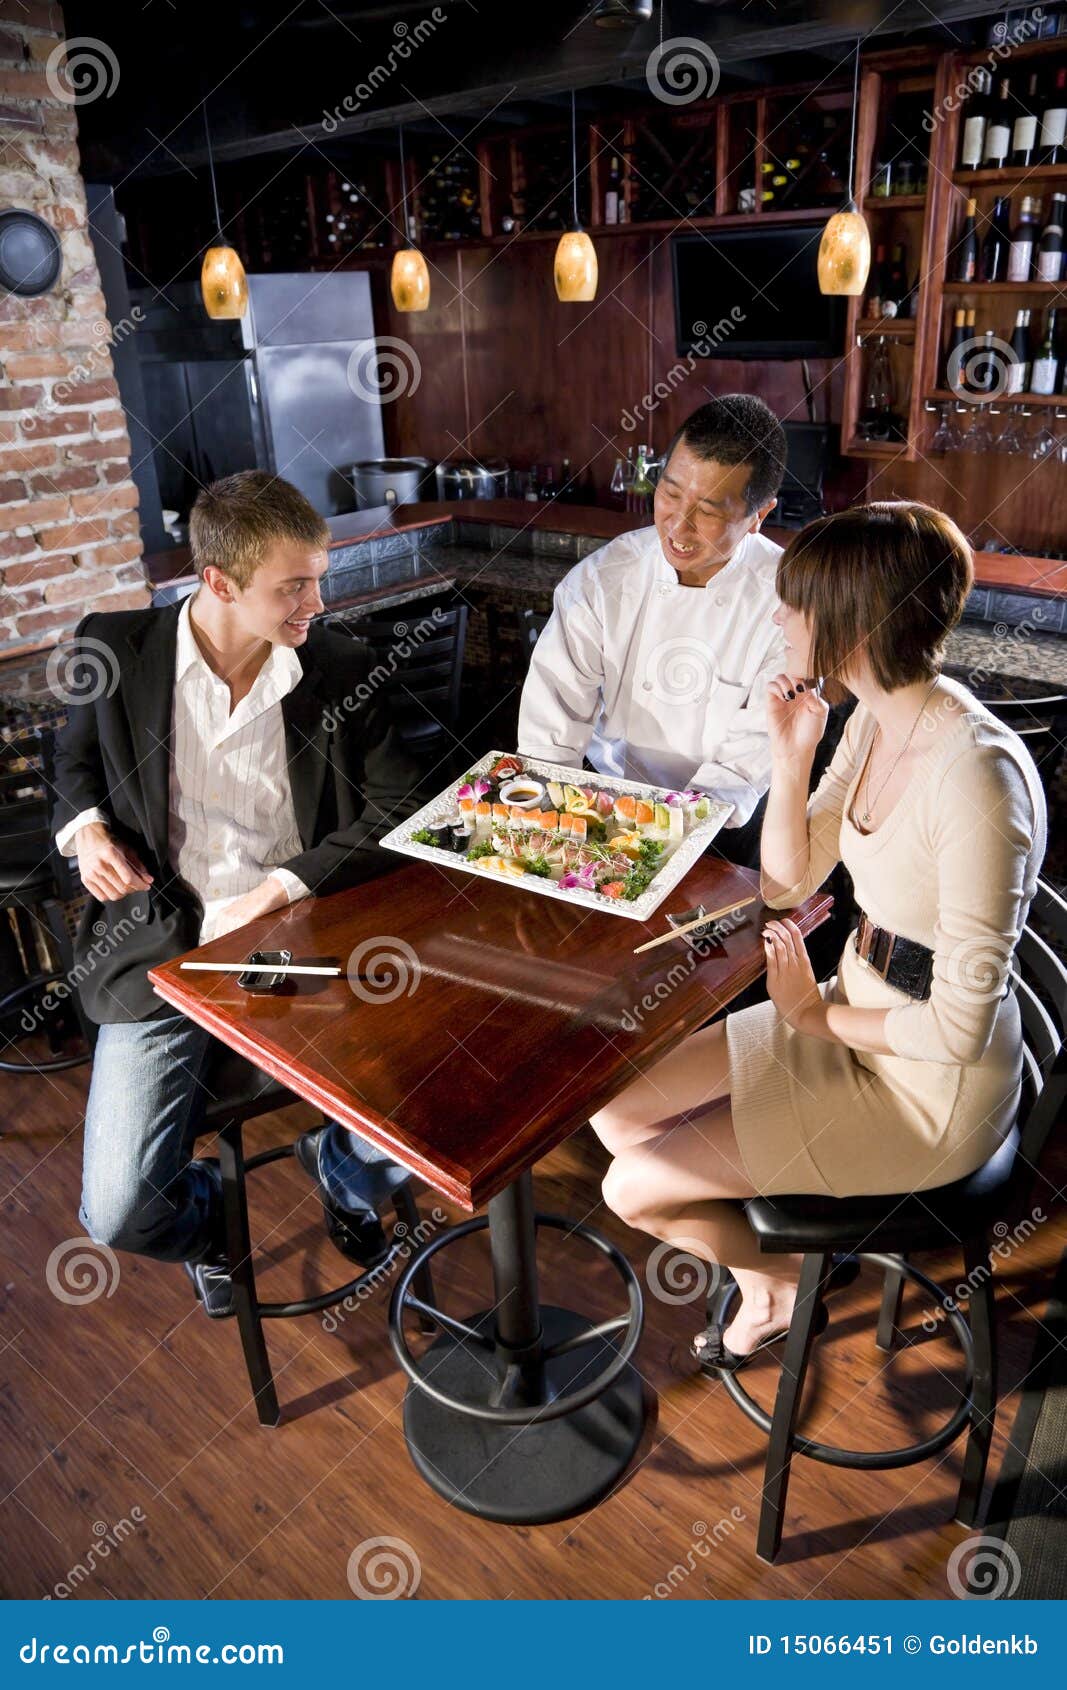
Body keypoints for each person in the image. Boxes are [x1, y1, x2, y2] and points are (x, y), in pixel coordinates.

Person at [589, 500, 1046, 1371]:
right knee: (615, 1108)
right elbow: (785, 883)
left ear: (852, 624)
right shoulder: (876, 716)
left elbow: (957, 1029)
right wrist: (790, 754)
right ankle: (789, 1268)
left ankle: (776, 1286)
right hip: (855, 1008)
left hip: (928, 1090)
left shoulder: (977, 784)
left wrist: (810, 1019)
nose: (777, 616)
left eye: (793, 604)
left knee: (632, 1184)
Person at [52, 471, 421, 1317]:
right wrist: (87, 832)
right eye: (292, 586)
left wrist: (286, 886)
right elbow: (68, 764)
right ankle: (211, 1226)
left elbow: (407, 807)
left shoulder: (338, 666)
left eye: (318, 577)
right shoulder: (111, 646)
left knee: (449, 1082)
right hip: (162, 951)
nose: (315, 603)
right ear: (217, 582)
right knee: (117, 1211)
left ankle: (346, 1169)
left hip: (303, 934)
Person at [517, 395, 788, 866]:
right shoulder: (604, 579)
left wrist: (658, 839)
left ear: (759, 515)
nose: (678, 526)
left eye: (708, 510)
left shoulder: (789, 602)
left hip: (723, 827)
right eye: (670, 493)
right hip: (603, 798)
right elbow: (551, 729)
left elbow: (751, 752)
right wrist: (547, 830)